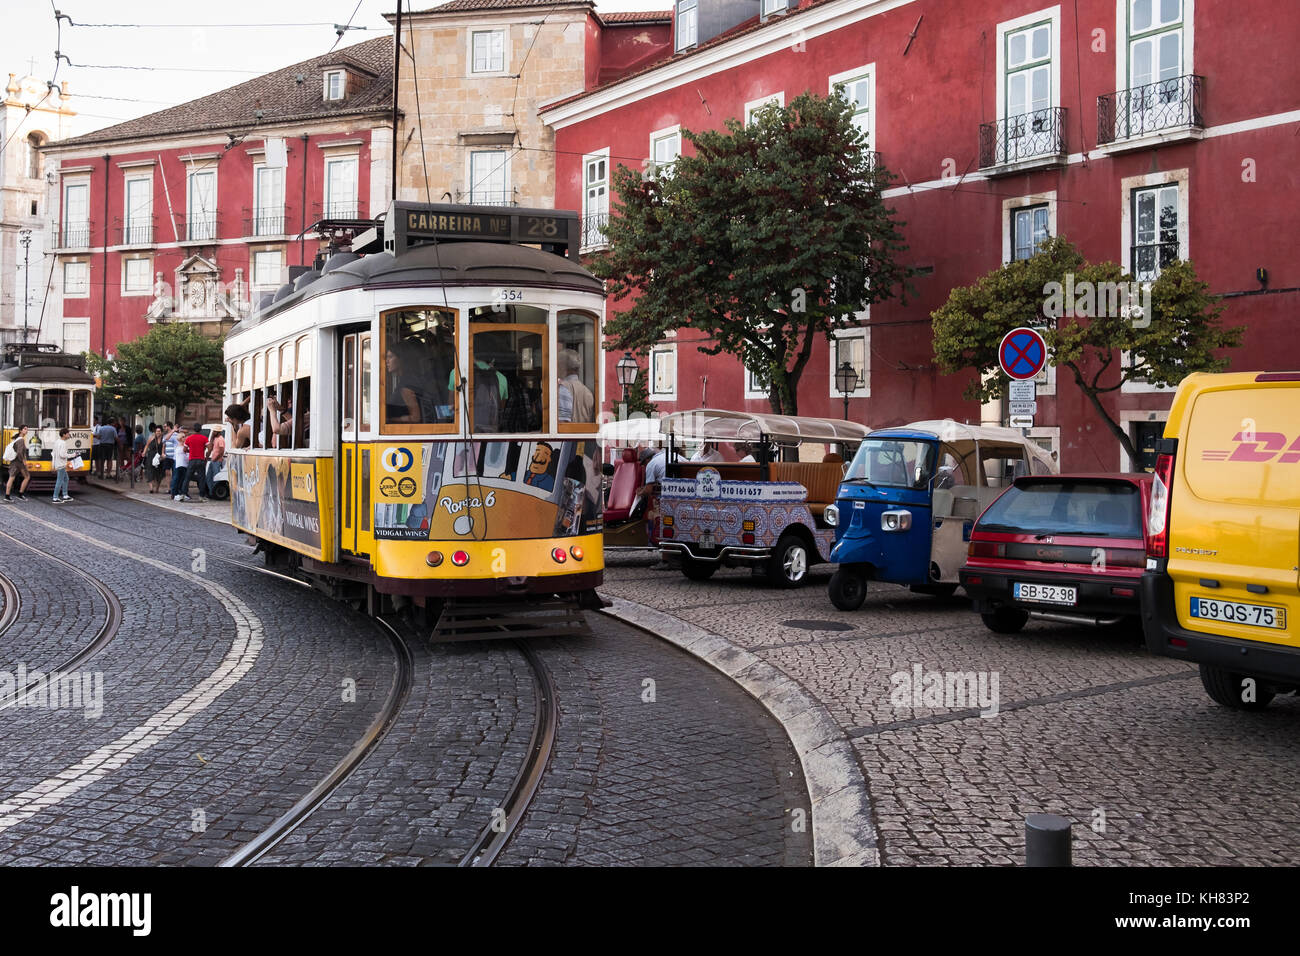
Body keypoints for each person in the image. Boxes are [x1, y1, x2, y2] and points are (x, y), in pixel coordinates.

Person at [557, 350, 594, 424]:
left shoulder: (563, 388)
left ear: (562, 366)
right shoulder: (587, 391)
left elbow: (562, 423)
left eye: (557, 365)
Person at [182, 422, 209, 501]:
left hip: (192, 460)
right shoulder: (204, 438)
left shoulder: (189, 438)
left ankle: (183, 494)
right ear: (200, 429)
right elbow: (209, 447)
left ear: (193, 429)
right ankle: (201, 496)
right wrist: (206, 454)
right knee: (201, 478)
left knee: (187, 477)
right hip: (201, 459)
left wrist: (189, 451)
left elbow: (184, 449)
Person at [3, 425, 31, 501]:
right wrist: (23, 461)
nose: (26, 430)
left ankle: (7, 496)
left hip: (14, 461)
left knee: (11, 477)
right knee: (27, 477)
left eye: (27, 429)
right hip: (19, 462)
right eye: (25, 429)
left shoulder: (17, 439)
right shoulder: (21, 440)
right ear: (21, 430)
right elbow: (19, 452)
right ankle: (20, 494)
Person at [170, 423, 191, 500]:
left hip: (184, 463)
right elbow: (165, 439)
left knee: (183, 478)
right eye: (184, 434)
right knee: (176, 477)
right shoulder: (178, 443)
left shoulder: (186, 443)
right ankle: (174, 492)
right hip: (178, 463)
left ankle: (182, 492)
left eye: (186, 433)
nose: (185, 436)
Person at [51, 427, 72, 503]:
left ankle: (65, 495)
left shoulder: (57, 442)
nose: (69, 435)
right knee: (59, 481)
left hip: (58, 463)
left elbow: (54, 452)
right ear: (64, 435)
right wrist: (73, 455)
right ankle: (55, 497)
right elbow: (62, 455)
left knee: (66, 479)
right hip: (61, 464)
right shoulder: (63, 443)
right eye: (68, 434)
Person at [144, 425, 166, 493]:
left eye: (159, 431)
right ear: (155, 432)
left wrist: (163, 454)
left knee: (159, 473)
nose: (158, 432)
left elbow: (164, 448)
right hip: (151, 456)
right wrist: (144, 452)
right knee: (150, 471)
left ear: (161, 432)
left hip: (159, 458)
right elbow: (147, 445)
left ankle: (157, 488)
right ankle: (151, 488)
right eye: (157, 431)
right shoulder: (152, 438)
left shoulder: (163, 439)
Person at [206, 424, 226, 495]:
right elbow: (211, 447)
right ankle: (211, 492)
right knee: (209, 477)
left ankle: (214, 493)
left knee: (216, 477)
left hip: (216, 460)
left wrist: (217, 458)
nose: (213, 432)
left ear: (218, 432)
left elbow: (221, 451)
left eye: (214, 431)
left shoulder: (220, 439)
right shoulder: (215, 438)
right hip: (213, 460)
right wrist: (211, 438)